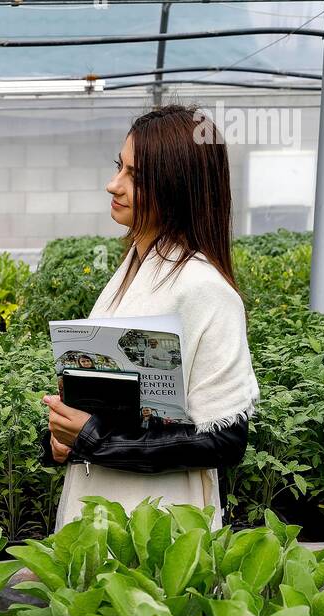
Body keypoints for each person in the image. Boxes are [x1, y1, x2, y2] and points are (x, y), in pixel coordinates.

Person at [45, 105, 258, 530]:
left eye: (135, 177)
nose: (113, 185)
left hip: (161, 522)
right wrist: (63, 439)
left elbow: (224, 439)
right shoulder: (131, 269)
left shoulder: (204, 289)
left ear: (177, 188)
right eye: (118, 167)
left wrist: (96, 439)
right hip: (103, 503)